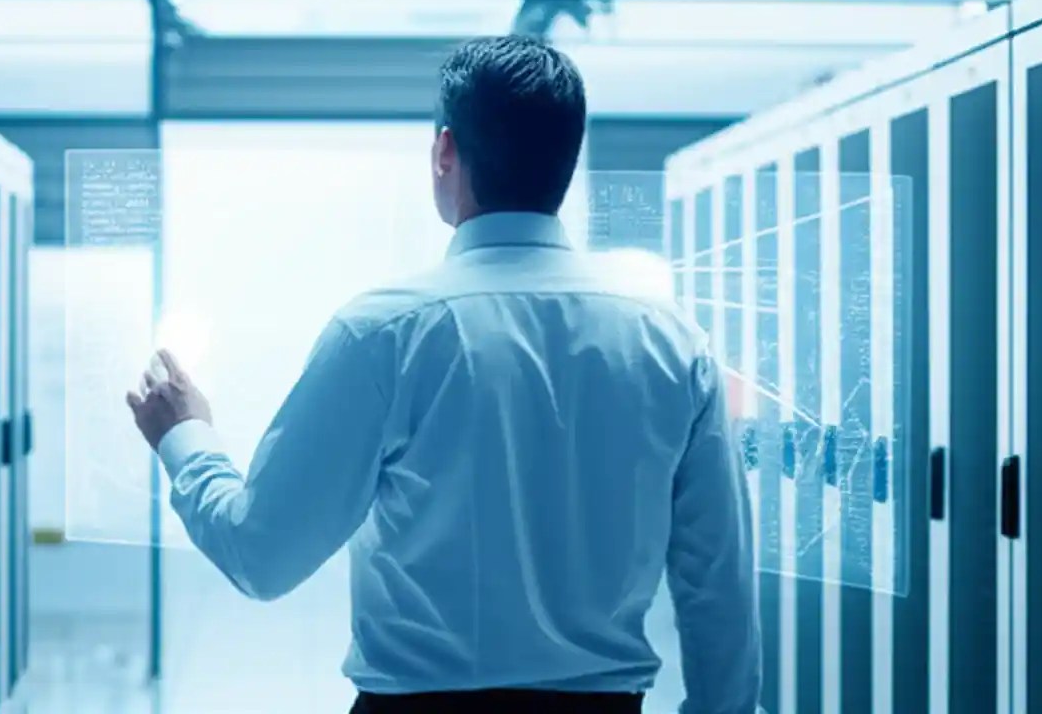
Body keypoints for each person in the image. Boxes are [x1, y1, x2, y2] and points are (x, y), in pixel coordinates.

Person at [127, 35, 760, 714]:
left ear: (444, 152)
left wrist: (185, 437)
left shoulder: (383, 334)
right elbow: (718, 590)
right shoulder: (672, 344)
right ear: (568, 159)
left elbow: (262, 555)